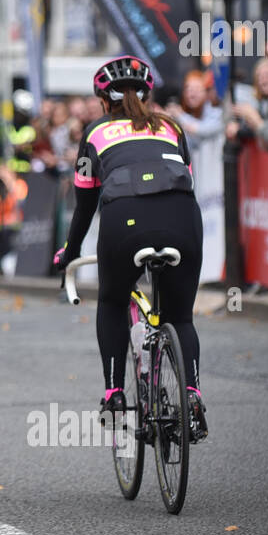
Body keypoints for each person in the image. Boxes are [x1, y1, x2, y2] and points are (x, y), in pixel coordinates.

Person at [52, 56, 208, 441]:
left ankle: (113, 393)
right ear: (147, 94)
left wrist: (69, 252)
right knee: (182, 318)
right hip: (181, 218)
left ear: (105, 101)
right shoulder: (172, 127)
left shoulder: (94, 132)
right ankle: (192, 397)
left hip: (125, 221)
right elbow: (186, 180)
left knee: (111, 300)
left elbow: (85, 204)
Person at [226, 58, 268, 152]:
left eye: (267, 75)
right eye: (259, 77)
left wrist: (254, 118)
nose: (263, 81)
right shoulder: (264, 101)